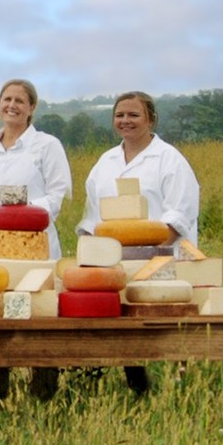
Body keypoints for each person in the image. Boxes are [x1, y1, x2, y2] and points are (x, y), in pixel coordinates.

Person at [0, 78, 73, 401]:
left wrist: (20, 220)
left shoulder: (46, 146)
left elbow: (57, 195)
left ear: (32, 108)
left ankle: (43, 389)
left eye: (20, 100)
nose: (12, 106)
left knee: (39, 310)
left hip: (36, 246)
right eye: (7, 99)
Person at [76, 89, 202, 397]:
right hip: (115, 261)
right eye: (120, 115)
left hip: (162, 259)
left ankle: (177, 388)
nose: (125, 121)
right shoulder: (105, 162)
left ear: (151, 119)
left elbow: (178, 215)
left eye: (134, 115)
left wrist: (146, 248)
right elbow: (93, 217)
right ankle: (136, 384)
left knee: (165, 328)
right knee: (120, 323)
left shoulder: (169, 159)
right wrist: (95, 253)